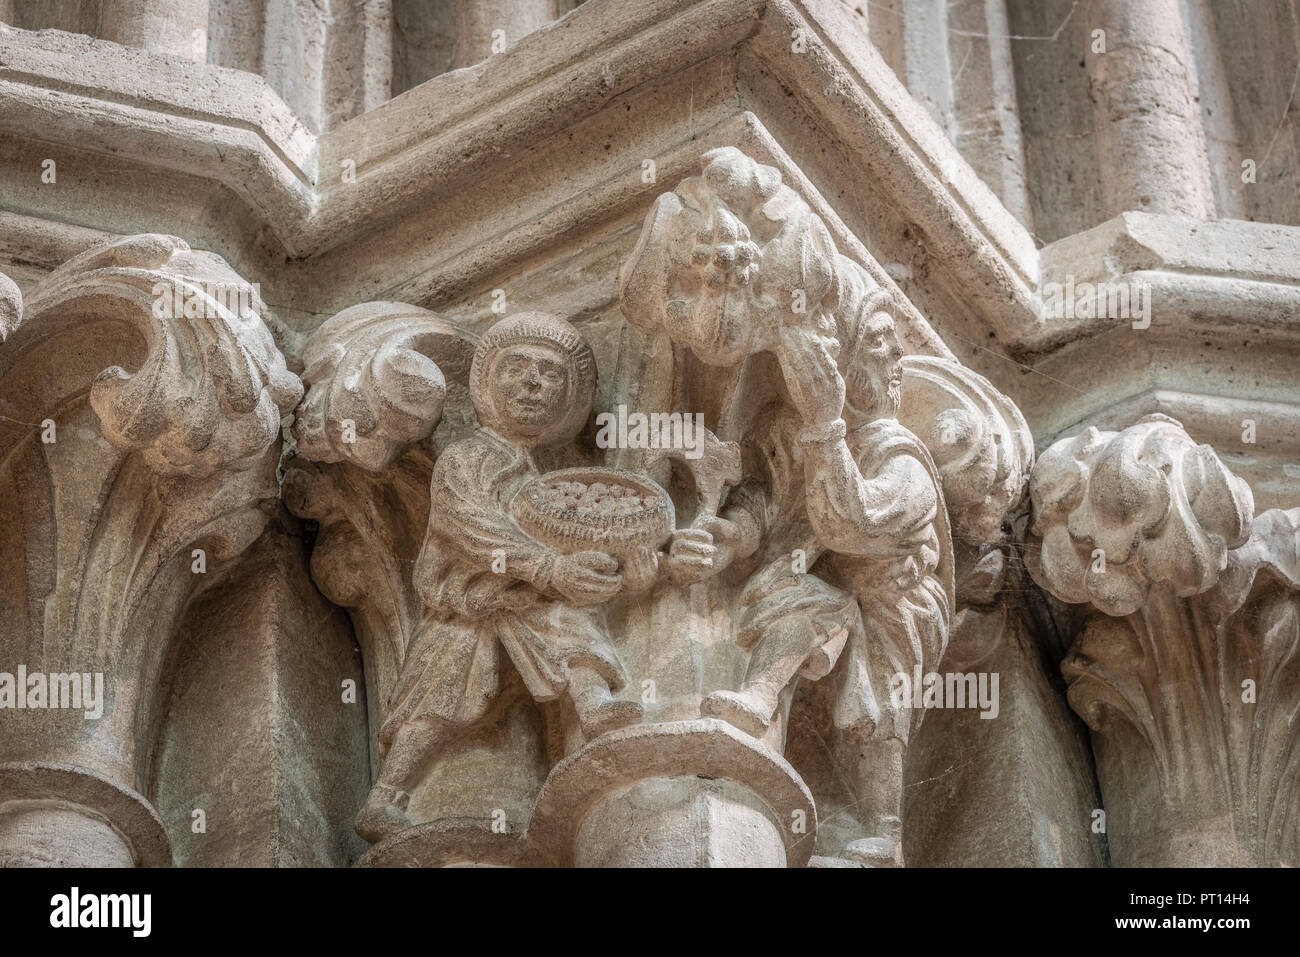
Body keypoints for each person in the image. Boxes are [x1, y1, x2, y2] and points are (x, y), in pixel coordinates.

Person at [356, 312, 642, 843]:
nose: (534, 382)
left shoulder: (545, 480)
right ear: (487, 384)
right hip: (464, 604)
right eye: (518, 367)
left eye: (551, 373)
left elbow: (569, 534)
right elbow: (465, 523)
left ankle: (592, 702)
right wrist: (550, 567)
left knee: (568, 622)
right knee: (440, 695)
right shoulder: (468, 456)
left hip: (522, 600)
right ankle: (387, 796)